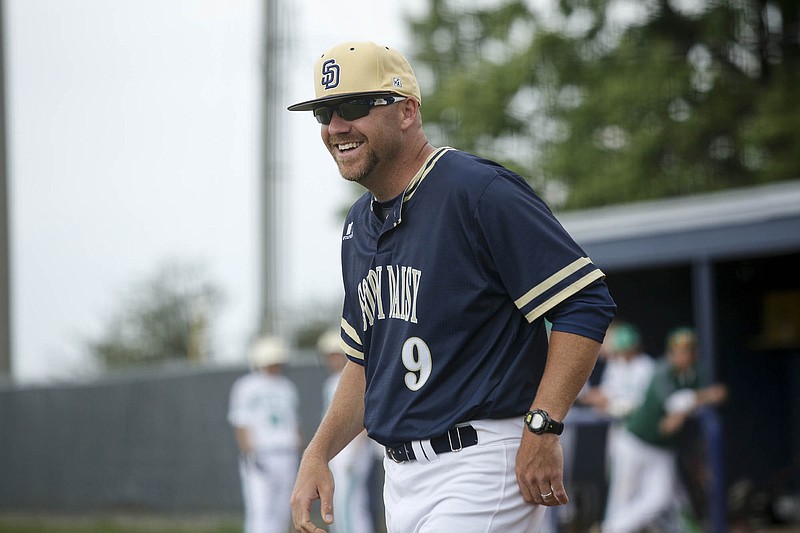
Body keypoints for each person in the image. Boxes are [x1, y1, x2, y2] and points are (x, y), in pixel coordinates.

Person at [287, 41, 617, 533]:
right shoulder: (357, 225)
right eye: (325, 112)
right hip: (399, 474)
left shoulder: (477, 191)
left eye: (354, 107)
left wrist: (543, 425)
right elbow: (364, 360)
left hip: (480, 458)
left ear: (407, 112)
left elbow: (584, 303)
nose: (335, 126)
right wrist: (318, 453)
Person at [601, 327, 728, 533]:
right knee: (621, 498)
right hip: (635, 440)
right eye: (678, 351)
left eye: (687, 351)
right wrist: (698, 398)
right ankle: (612, 528)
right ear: (670, 353)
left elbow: (713, 396)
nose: (683, 356)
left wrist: (690, 403)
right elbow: (676, 404)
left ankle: (614, 528)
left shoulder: (697, 371)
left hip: (662, 448)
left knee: (661, 497)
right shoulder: (661, 370)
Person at [228, 335, 301, 533]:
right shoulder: (246, 385)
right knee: (260, 510)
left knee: (283, 511)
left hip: (286, 453)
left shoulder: (287, 387)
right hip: (261, 454)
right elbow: (241, 422)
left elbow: (294, 424)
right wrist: (250, 453)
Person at [318, 328, 377, 533]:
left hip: (352, 450)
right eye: (330, 355)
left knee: (350, 503)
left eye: (336, 353)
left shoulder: (357, 378)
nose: (333, 358)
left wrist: (354, 452)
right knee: (342, 502)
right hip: (339, 452)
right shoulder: (330, 382)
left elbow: (363, 415)